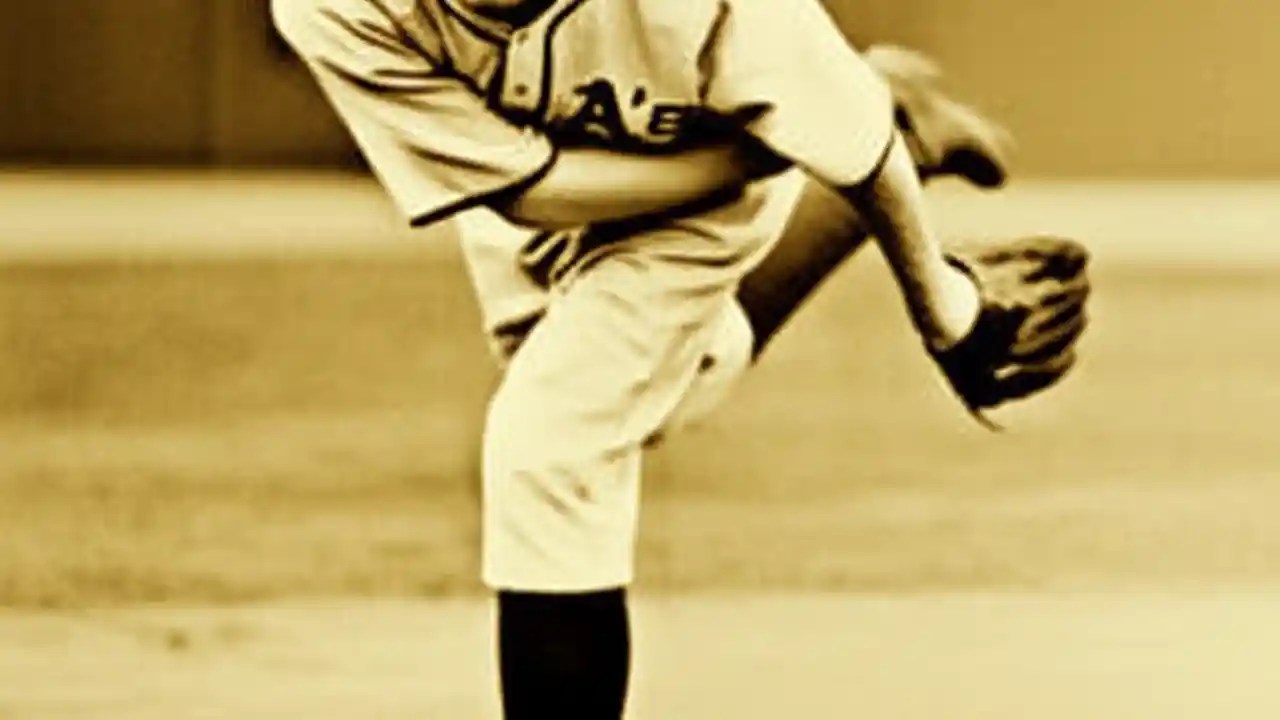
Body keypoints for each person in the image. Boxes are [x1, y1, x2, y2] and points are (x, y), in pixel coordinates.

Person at [273, 0, 1013, 716]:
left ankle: (880, 118)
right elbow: (527, 190)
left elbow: (858, 150)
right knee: (619, 403)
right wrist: (739, 161)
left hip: (700, 194)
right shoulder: (339, 7)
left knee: (551, 445)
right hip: (557, 182)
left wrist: (947, 316)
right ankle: (901, 122)